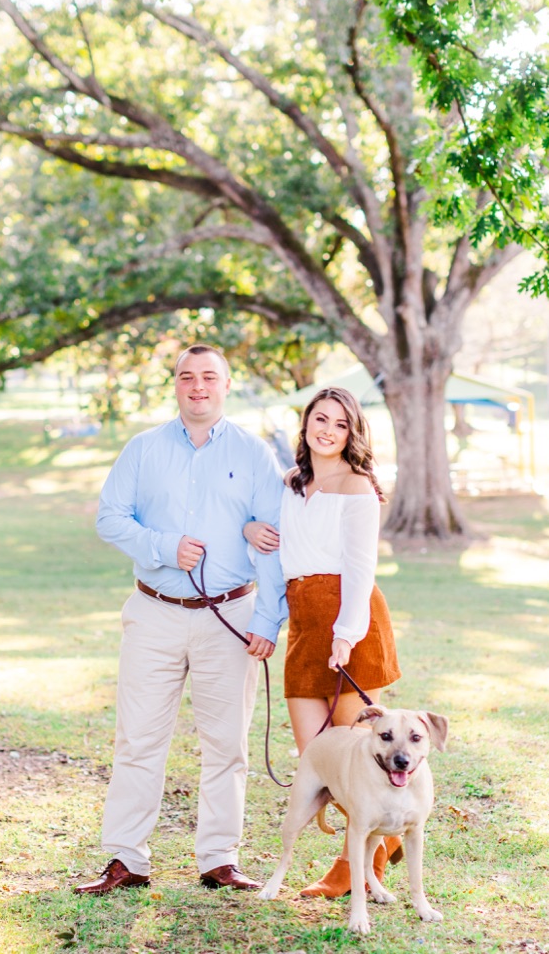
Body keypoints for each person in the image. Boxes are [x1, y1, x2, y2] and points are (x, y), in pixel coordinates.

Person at [75, 344, 286, 896]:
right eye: (187, 376)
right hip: (154, 614)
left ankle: (219, 859)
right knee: (138, 740)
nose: (198, 386)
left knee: (227, 745)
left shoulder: (254, 452)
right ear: (175, 384)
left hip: (230, 615)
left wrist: (269, 619)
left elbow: (273, 537)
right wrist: (164, 547)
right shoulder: (143, 449)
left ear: (226, 384)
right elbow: (109, 518)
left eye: (209, 377)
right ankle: (127, 859)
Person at [244, 386, 403, 900]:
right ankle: (384, 839)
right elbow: (276, 548)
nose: (328, 430)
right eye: (320, 418)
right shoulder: (291, 483)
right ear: (306, 423)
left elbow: (359, 568)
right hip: (303, 622)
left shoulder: (358, 487)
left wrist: (346, 634)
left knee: (359, 756)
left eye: (340, 423)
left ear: (352, 432)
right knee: (317, 757)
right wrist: (251, 529)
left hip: (349, 621)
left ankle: (352, 865)